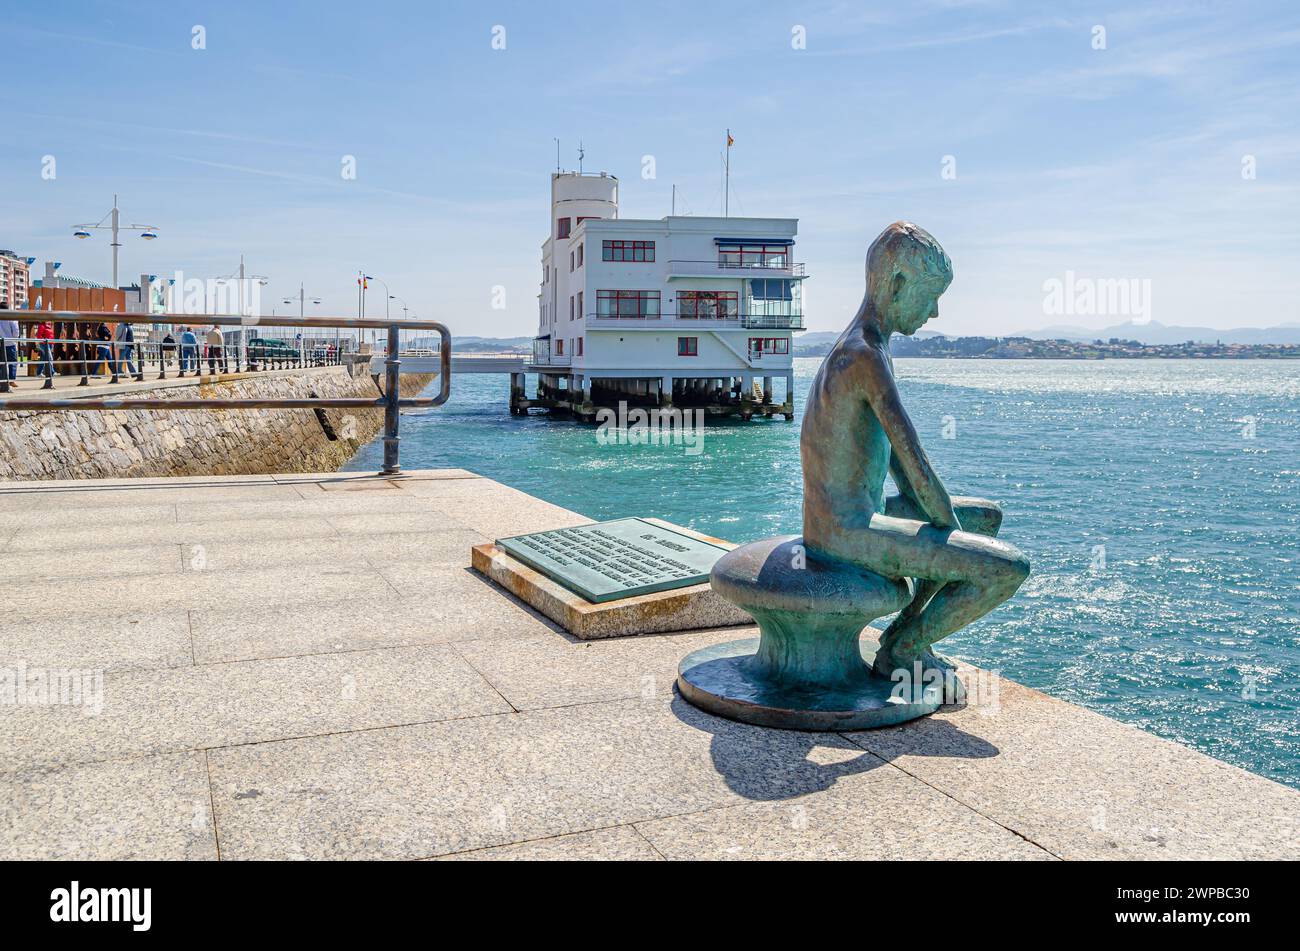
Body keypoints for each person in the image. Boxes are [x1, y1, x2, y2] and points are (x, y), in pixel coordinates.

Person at [800, 221, 1030, 696]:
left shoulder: (860, 347)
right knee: (1007, 569)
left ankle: (903, 635)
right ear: (898, 283)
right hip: (845, 532)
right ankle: (905, 649)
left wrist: (949, 537)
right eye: (930, 296)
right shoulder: (865, 355)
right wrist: (950, 539)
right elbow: (917, 463)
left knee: (986, 518)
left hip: (852, 517)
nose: (936, 311)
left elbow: (904, 474)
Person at [0, 303, 19, 387]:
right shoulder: (11, 317)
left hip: (0, 343)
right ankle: (11, 380)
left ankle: (1, 381)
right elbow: (15, 331)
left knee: (1, 363)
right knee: (13, 362)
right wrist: (14, 339)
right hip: (10, 343)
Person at [35, 319, 55, 387]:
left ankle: (39, 373)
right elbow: (39, 336)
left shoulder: (49, 326)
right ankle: (52, 372)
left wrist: (52, 344)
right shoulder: (42, 326)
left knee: (43, 358)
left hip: (49, 344)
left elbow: (51, 336)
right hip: (44, 344)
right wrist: (44, 343)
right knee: (49, 358)